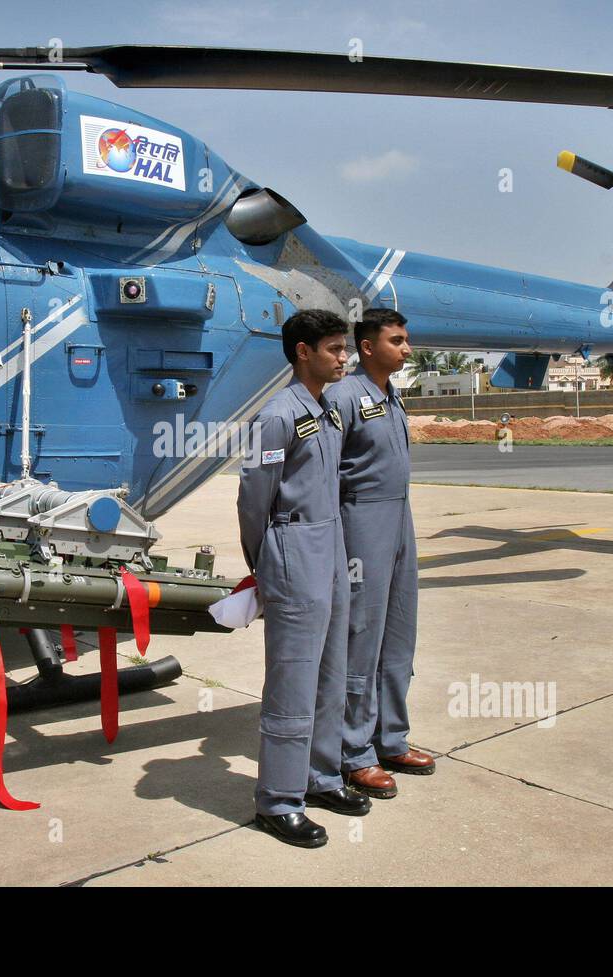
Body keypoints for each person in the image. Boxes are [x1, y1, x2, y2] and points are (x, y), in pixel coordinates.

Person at [237, 309, 371, 849]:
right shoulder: (277, 415)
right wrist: (263, 559)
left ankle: (320, 777)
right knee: (293, 679)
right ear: (302, 353)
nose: (345, 357)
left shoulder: (329, 410)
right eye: (335, 349)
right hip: (293, 547)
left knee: (331, 672)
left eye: (345, 348)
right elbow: (253, 496)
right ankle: (278, 800)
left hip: (331, 544)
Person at [326, 308, 435, 801]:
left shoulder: (391, 397)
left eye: (407, 339)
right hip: (361, 521)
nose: (407, 348)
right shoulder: (344, 397)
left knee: (399, 634)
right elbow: (323, 475)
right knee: (361, 637)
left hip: (399, 520)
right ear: (368, 347)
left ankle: (391, 738)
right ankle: (354, 753)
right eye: (398, 340)